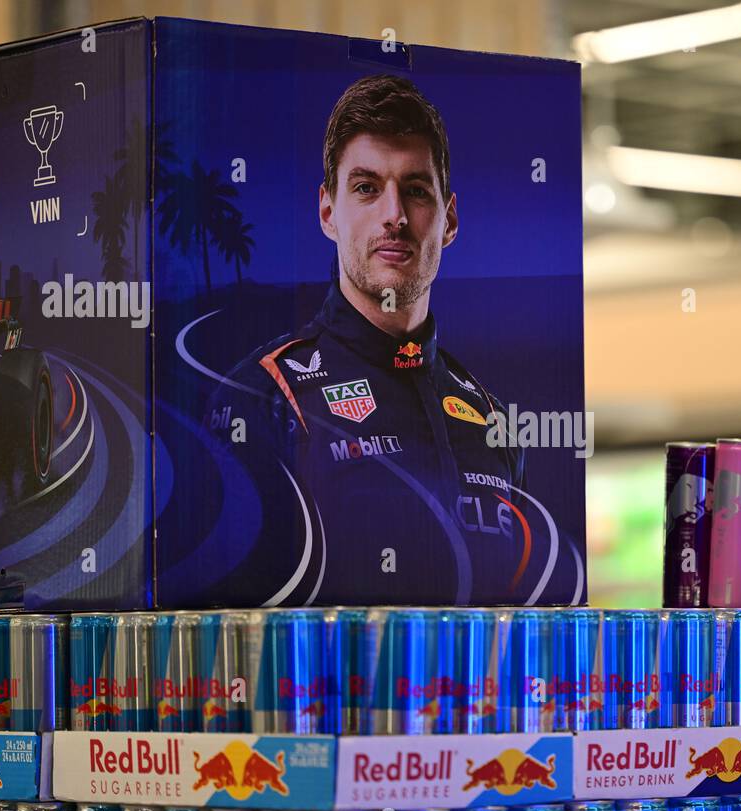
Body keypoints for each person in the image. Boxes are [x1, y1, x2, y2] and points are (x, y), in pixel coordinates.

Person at [210, 74, 529, 605]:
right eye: (366, 188)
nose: (394, 216)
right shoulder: (262, 397)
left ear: (448, 219)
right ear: (328, 212)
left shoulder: (490, 415)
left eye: (415, 189)